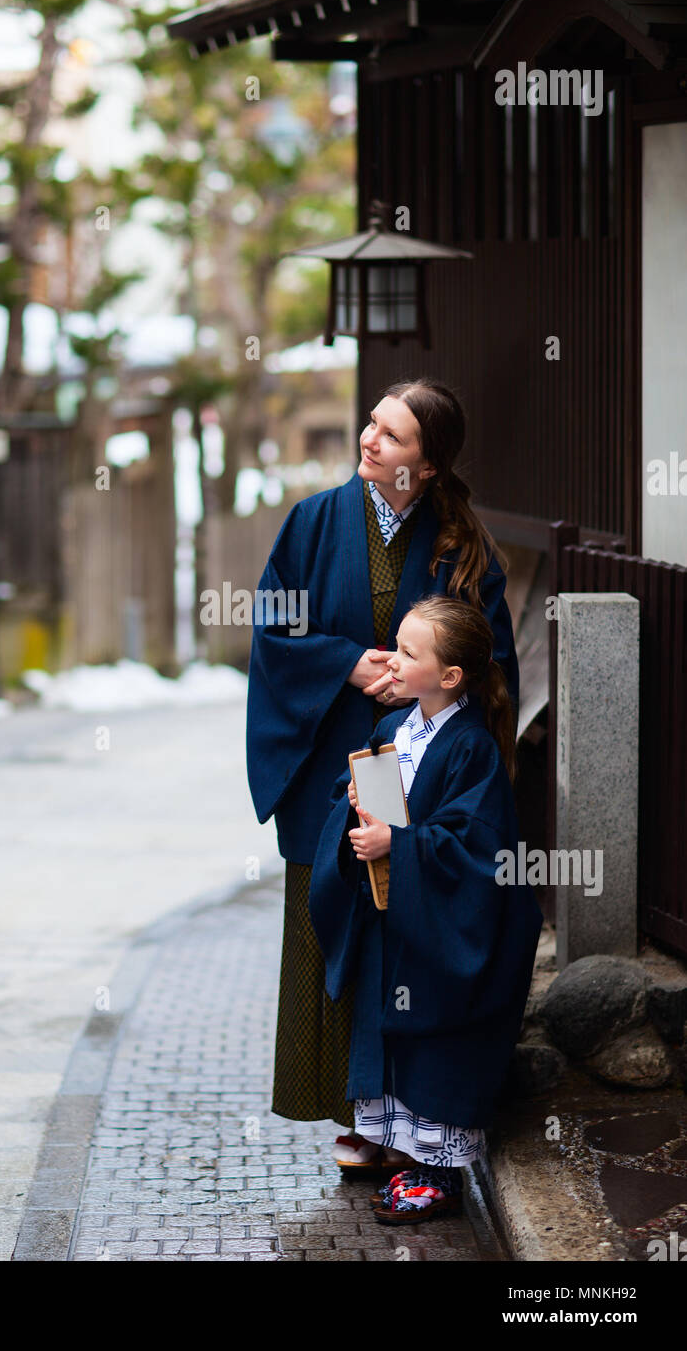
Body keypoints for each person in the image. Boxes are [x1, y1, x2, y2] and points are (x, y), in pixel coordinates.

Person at [245, 378, 520, 1168]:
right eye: (371, 425)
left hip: (418, 756)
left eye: (391, 436)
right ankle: (357, 1112)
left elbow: (489, 657)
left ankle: (405, 1116)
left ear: (426, 465)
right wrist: (346, 667)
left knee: (400, 922)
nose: (369, 440)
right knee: (338, 910)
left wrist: (421, 682)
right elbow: (274, 626)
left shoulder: (462, 546)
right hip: (340, 751)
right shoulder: (315, 521)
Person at [307, 596, 543, 1222]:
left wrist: (400, 845)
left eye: (410, 652)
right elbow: (358, 796)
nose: (393, 656)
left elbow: (478, 843)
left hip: (438, 920)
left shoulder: (470, 747)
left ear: (451, 678)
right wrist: (353, 800)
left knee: (437, 1036)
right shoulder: (392, 729)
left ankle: (438, 1171)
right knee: (391, 1030)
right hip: (395, 917)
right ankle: (397, 1148)